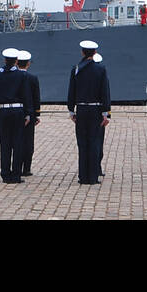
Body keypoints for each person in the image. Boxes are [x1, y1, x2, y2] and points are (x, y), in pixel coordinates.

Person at [66, 40, 110, 185]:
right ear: (95, 53)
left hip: (82, 109)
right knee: (94, 142)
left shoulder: (76, 69)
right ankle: (92, 177)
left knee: (82, 143)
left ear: (82, 52)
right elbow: (105, 92)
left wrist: (71, 110)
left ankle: (83, 176)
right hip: (96, 110)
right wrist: (105, 113)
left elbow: (71, 91)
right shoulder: (101, 69)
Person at [0, 48, 31, 183]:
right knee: (17, 144)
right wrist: (28, 114)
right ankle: (16, 175)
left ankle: (5, 174)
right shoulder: (22, 75)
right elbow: (26, 96)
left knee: (5, 144)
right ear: (16, 61)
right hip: (18, 111)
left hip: (3, 111)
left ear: (4, 60)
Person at [16, 50, 41, 177]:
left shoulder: (13, 76)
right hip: (29, 114)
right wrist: (37, 114)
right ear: (28, 64)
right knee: (28, 142)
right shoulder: (32, 78)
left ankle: (16, 167)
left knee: (16, 141)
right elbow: (36, 98)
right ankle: (26, 168)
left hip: (16, 112)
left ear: (16, 63)